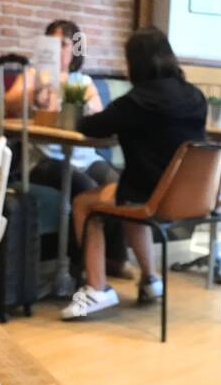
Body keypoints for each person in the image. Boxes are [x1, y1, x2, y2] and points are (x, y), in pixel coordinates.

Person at [59, 27, 207, 321]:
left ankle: (97, 287)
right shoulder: (196, 97)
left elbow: (92, 126)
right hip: (190, 199)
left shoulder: (138, 101)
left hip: (149, 195)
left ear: (134, 64)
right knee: (129, 202)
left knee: (85, 204)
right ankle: (151, 280)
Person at [4, 19, 128, 276]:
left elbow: (98, 113)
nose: (57, 50)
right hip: (41, 159)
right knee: (84, 187)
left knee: (118, 185)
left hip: (84, 156)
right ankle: (79, 263)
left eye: (63, 44)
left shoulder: (82, 81)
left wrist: (82, 105)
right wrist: (34, 92)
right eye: (51, 44)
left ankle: (115, 258)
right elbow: (9, 104)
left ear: (74, 49)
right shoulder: (32, 75)